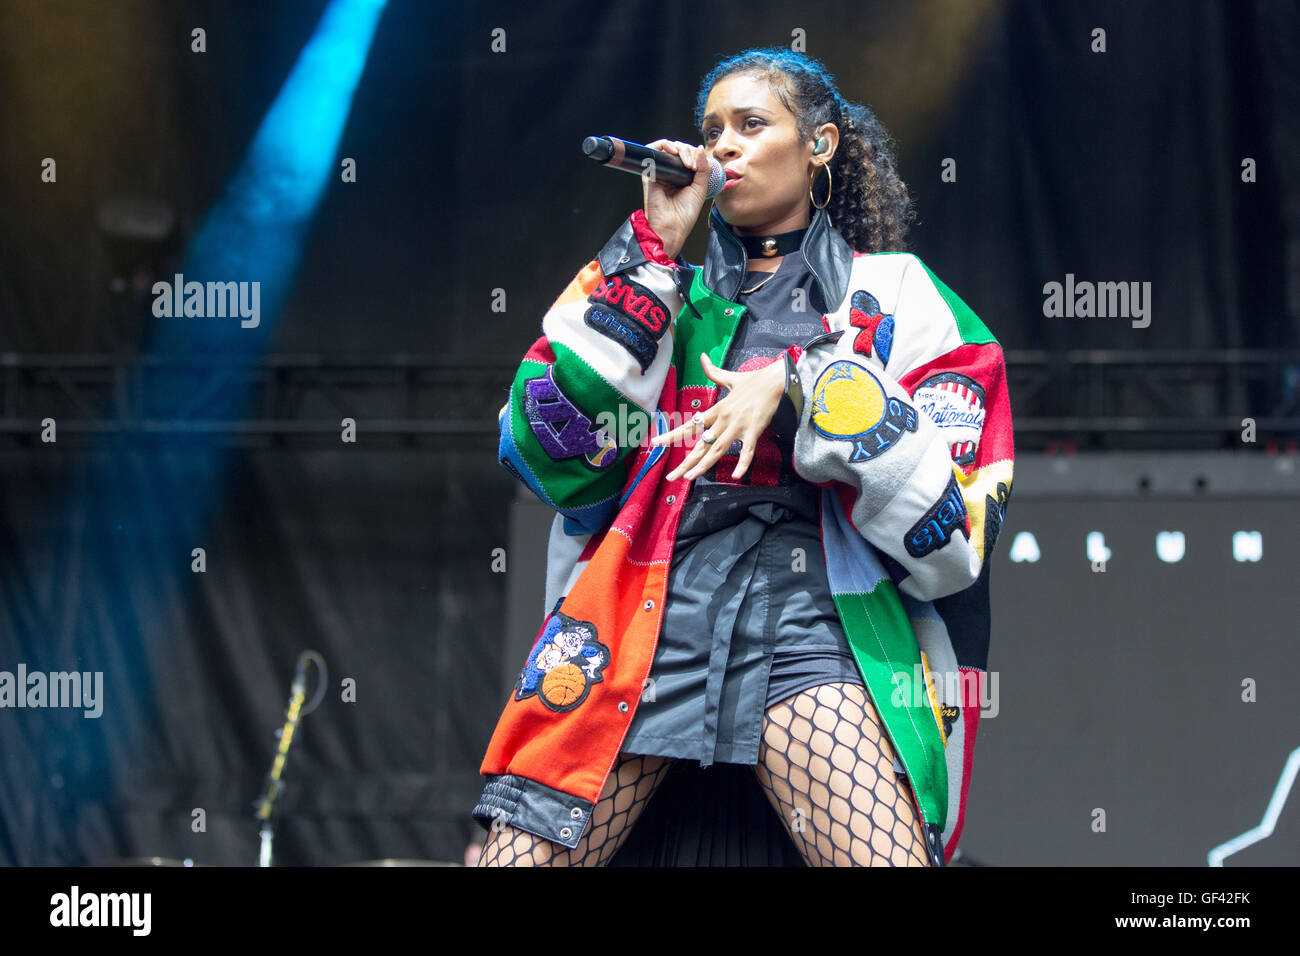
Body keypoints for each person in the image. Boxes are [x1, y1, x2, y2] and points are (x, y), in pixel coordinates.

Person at [472, 47, 1014, 867]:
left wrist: (802, 386)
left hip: (812, 618)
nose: (723, 146)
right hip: (646, 618)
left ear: (820, 145)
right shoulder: (671, 292)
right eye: (711, 130)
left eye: (751, 125)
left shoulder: (900, 294)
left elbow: (956, 533)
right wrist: (653, 243)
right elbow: (550, 447)